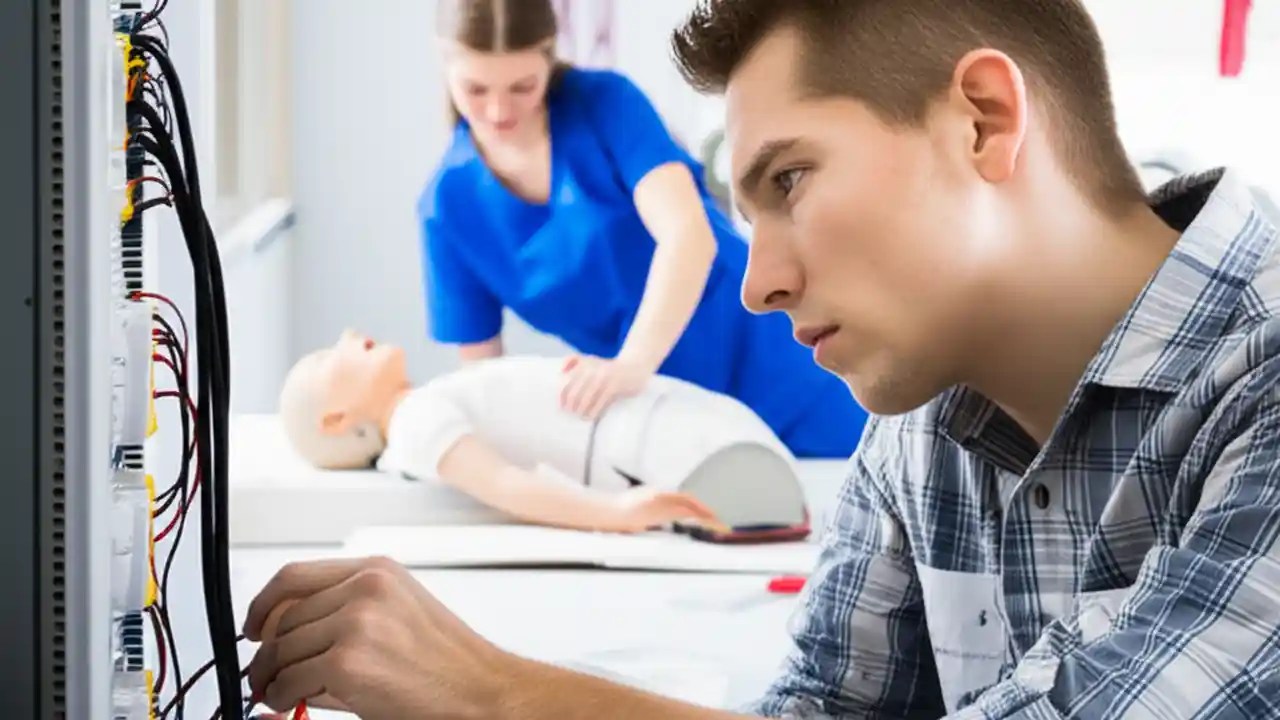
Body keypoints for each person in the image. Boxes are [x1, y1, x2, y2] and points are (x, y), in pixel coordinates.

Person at [243, 1, 1280, 718]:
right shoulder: (914, 433)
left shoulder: (1261, 385)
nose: (755, 283)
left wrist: (490, 693)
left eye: (787, 180)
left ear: (983, 120)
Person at [418, 0, 867, 458]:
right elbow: (481, 382)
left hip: (777, 360)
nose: (497, 111)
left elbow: (687, 237)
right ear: (444, 60)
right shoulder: (446, 207)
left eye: (522, 86)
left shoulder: (605, 105)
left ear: (549, 56)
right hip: (668, 411)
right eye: (475, 89)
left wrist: (632, 364)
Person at [278, 329, 807, 534]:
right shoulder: (415, 424)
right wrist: (615, 514)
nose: (347, 336)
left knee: (745, 461)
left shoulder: (429, 404)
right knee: (746, 467)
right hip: (663, 446)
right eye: (328, 354)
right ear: (337, 419)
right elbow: (505, 484)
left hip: (663, 427)